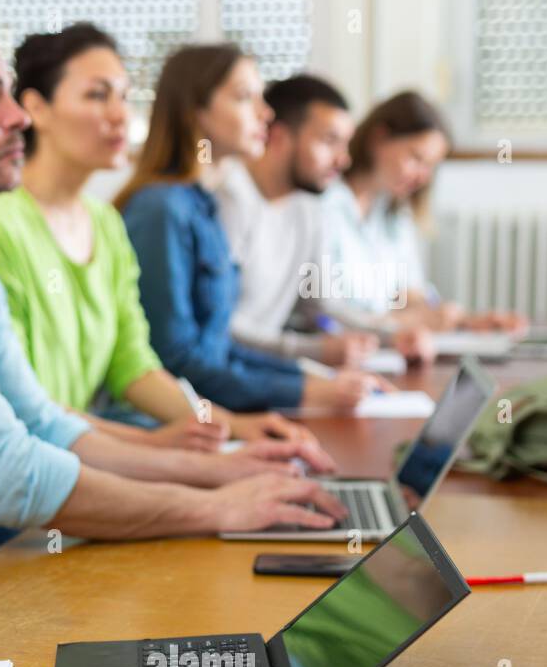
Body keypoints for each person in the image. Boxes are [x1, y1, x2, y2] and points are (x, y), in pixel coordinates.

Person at [0, 2, 344, 623]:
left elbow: (40, 421)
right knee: (127, 631)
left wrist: (213, 471)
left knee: (173, 587)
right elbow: (3, 472)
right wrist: (214, 504)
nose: (19, 115)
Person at [0, 24, 327, 454]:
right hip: (31, 471)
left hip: (81, 455)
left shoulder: (104, 223)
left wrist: (229, 425)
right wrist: (151, 442)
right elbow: (24, 407)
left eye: (123, 96)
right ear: (36, 108)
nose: (120, 115)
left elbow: (132, 364)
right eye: (97, 95)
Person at [116, 45, 384, 412]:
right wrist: (304, 390)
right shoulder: (162, 209)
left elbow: (218, 347)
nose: (266, 113)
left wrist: (309, 381)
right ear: (197, 111)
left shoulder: (202, 205)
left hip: (208, 408)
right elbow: (176, 360)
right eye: (245, 98)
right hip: (171, 419)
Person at [319, 90, 525, 355]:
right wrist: (405, 323)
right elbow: (326, 318)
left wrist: (464, 322)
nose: (422, 177)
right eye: (416, 158)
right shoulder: (326, 208)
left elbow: (409, 294)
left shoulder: (393, 214)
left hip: (389, 352)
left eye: (430, 167)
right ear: (378, 138)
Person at [214, 74, 385, 366]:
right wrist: (315, 350)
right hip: (225, 371)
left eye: (345, 144)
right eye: (329, 141)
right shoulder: (228, 199)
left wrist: (393, 335)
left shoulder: (310, 206)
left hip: (263, 366)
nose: (343, 160)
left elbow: (321, 303)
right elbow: (221, 325)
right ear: (278, 136)